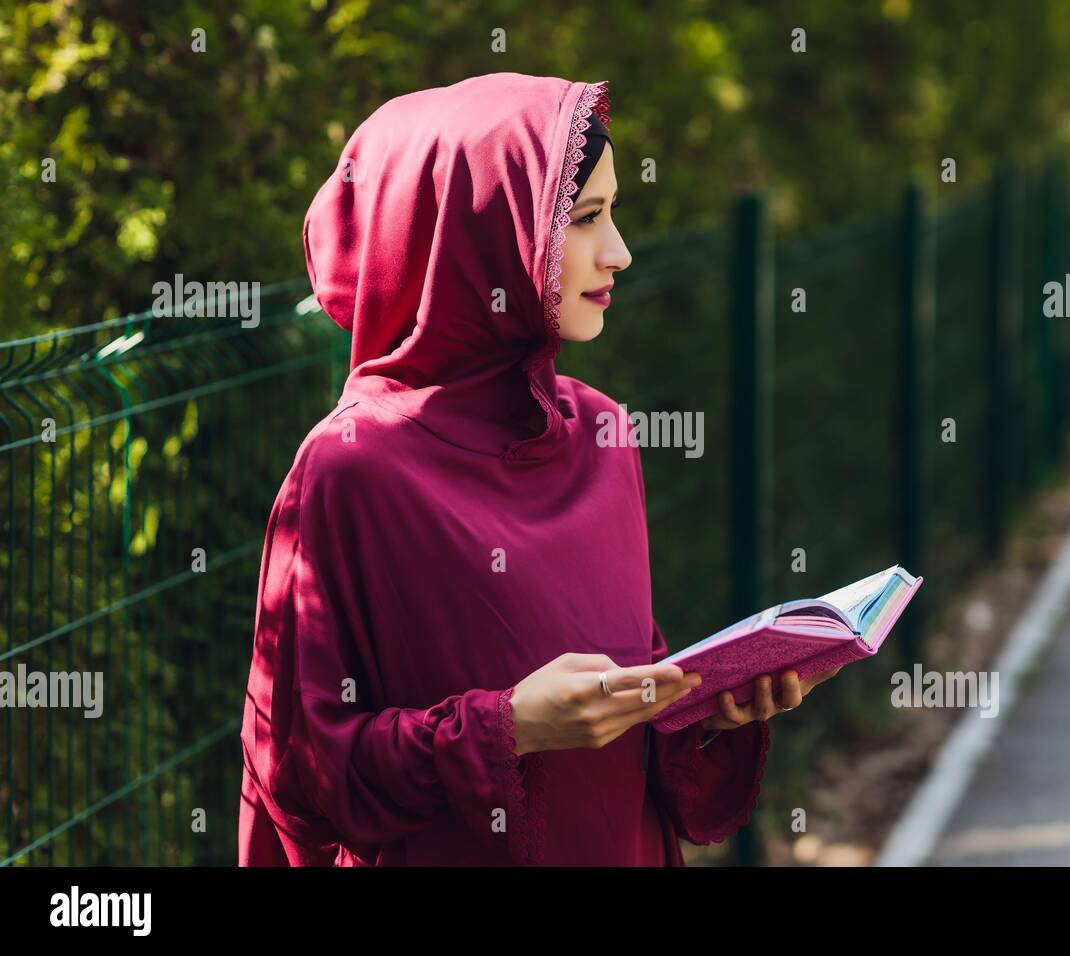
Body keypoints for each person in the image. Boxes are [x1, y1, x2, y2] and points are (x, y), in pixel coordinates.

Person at [237, 72, 842, 867]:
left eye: (613, 212)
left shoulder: (601, 432)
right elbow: (302, 772)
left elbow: (626, 725)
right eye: (586, 218)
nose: (619, 252)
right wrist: (507, 727)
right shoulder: (351, 469)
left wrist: (711, 711)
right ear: (478, 236)